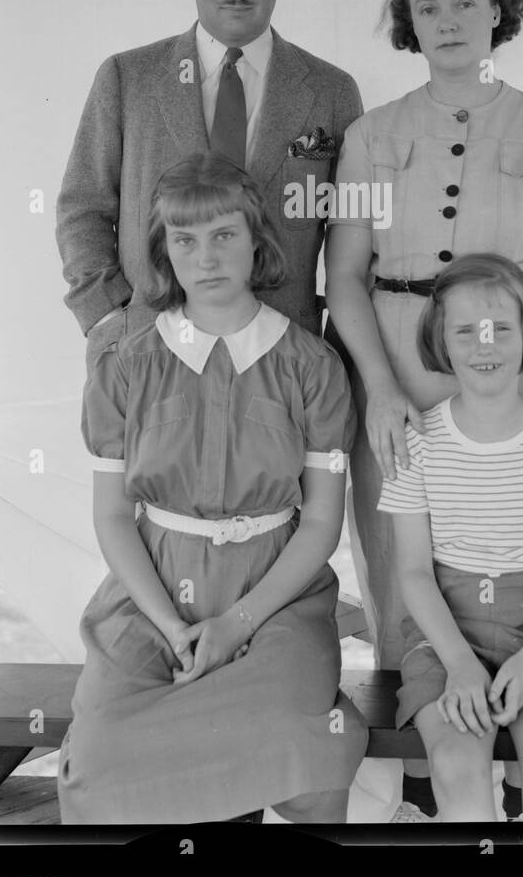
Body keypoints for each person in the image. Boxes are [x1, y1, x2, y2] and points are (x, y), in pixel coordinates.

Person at [325, 0, 523, 812]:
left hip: (509, 357)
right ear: (408, 24)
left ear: (499, 8)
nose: (446, 20)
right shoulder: (372, 135)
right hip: (396, 352)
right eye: (426, 7)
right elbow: (342, 275)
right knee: (397, 562)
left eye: (463, 2)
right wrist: (378, 386)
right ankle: (435, 766)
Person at [57, 154, 367, 824]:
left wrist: (238, 623)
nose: (206, 257)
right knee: (105, 749)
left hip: (275, 596)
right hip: (154, 592)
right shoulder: (125, 364)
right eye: (185, 239)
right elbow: (113, 517)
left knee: (297, 741)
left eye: (224, 235)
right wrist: (172, 624)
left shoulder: (312, 366)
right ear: (164, 252)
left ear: (257, 241)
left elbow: (320, 524)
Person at [56, 0, 363, 374]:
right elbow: (83, 206)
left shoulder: (332, 91)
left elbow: (352, 233)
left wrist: (332, 351)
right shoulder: (128, 78)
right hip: (148, 355)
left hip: (286, 364)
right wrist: (107, 319)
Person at [378, 254, 523, 822]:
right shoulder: (417, 445)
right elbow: (412, 572)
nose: (485, 345)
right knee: (457, 768)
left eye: (501, 328)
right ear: (441, 340)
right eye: (466, 331)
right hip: (446, 635)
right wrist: (459, 663)